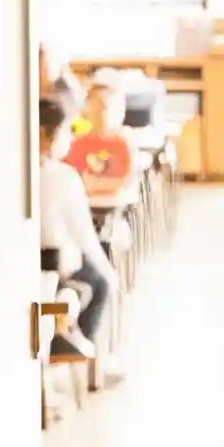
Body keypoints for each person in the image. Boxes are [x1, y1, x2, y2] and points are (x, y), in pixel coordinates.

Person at [39, 97, 121, 358]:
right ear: (47, 133)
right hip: (55, 267)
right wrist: (109, 272)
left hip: (25, 267)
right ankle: (74, 341)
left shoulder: (11, 171)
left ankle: (64, 333)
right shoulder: (63, 177)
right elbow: (84, 235)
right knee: (100, 281)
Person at [65, 82, 134, 197]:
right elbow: (70, 183)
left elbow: (122, 182)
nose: (101, 111)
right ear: (85, 110)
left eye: (105, 106)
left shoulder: (120, 145)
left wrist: (91, 184)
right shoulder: (73, 145)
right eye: (96, 104)